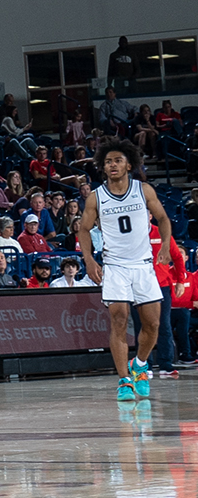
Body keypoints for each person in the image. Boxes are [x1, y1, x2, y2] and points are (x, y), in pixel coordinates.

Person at [79, 140, 172, 402]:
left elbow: (163, 219)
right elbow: (83, 229)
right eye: (108, 161)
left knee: (152, 324)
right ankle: (123, 380)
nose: (112, 164)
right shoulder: (96, 196)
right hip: (115, 266)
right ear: (103, 166)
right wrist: (89, 259)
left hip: (143, 264)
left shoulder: (143, 190)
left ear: (129, 164)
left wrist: (164, 245)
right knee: (119, 320)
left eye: (118, 160)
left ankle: (140, 364)